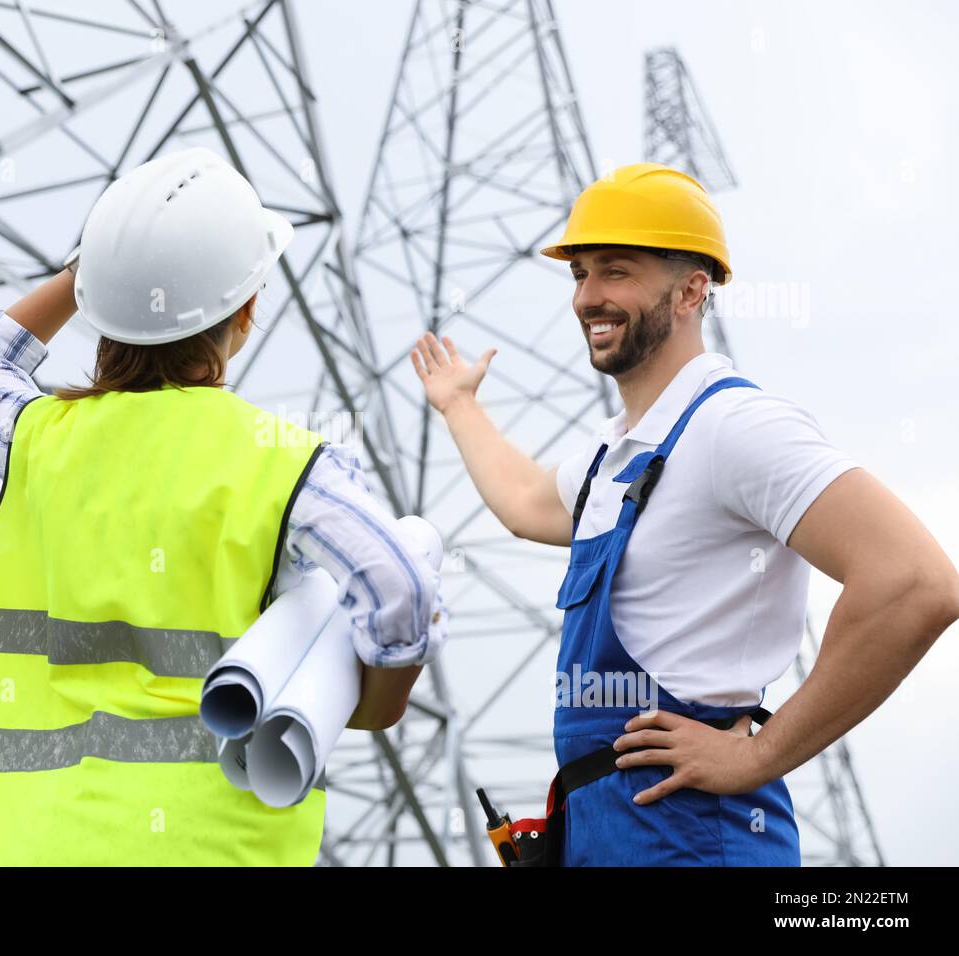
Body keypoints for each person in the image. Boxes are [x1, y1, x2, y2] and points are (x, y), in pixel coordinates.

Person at [410, 162, 959, 866]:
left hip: (698, 838)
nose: (588, 297)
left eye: (616, 271)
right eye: (579, 273)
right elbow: (524, 503)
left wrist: (759, 755)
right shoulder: (614, 455)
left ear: (693, 289)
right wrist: (459, 405)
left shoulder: (736, 426)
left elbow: (915, 583)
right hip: (608, 833)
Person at [0, 146, 447, 866]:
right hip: (207, 844)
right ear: (245, 311)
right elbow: (400, 581)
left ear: (96, 300)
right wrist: (379, 703)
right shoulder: (285, 459)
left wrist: (97, 272)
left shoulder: (35, 441)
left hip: (22, 841)